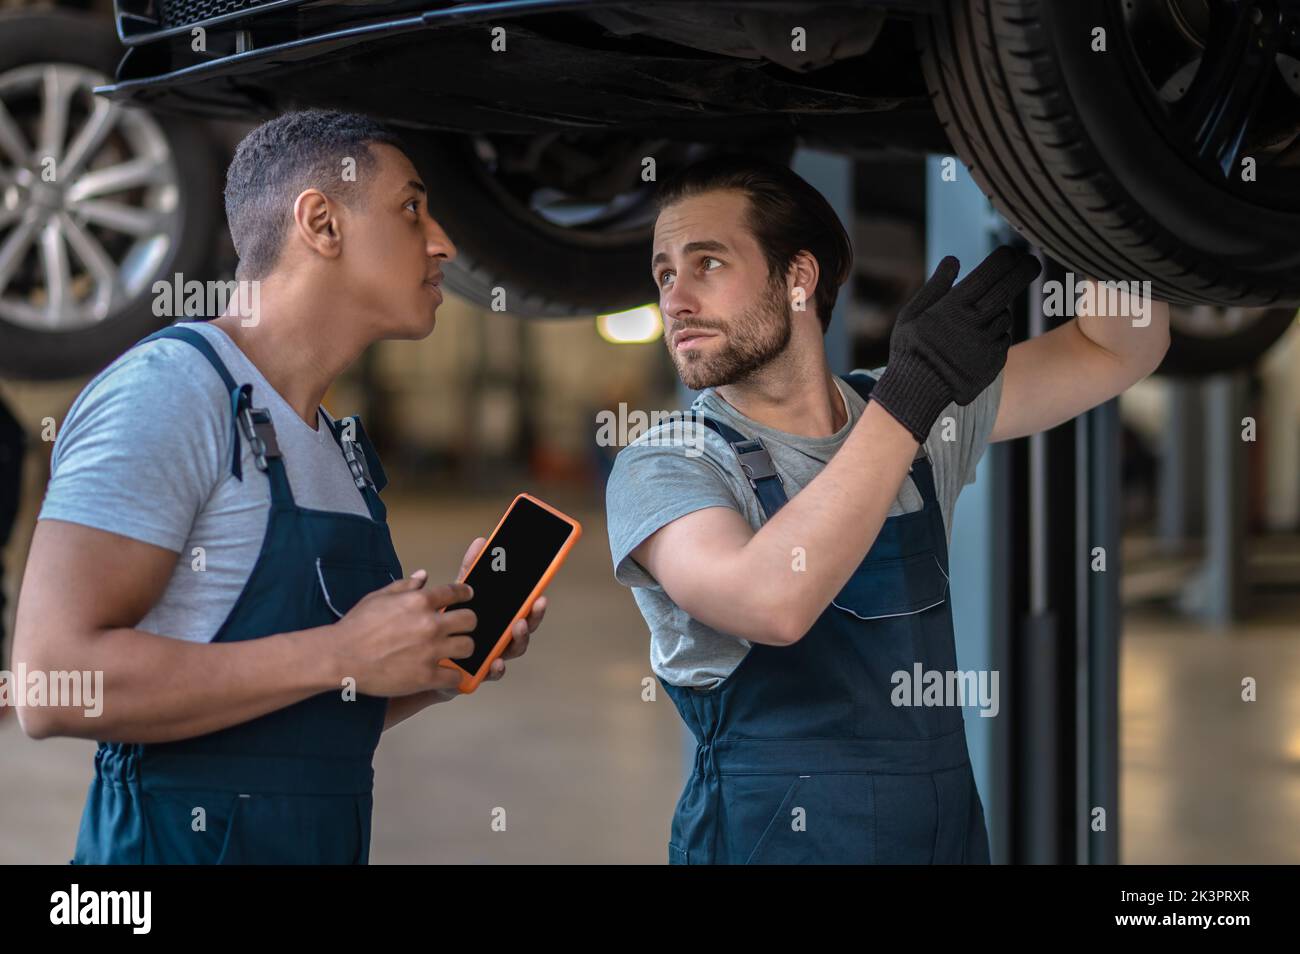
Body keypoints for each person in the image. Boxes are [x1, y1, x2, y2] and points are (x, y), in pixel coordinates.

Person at [11, 110, 547, 864]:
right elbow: (51, 687)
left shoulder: (336, 447)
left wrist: (432, 662)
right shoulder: (170, 393)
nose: (444, 244)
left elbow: (299, 717)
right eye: (412, 208)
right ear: (321, 223)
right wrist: (339, 652)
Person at [604, 156, 1170, 864]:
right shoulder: (669, 462)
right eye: (664, 274)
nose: (675, 300)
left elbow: (1119, 348)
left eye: (707, 264)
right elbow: (771, 601)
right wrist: (910, 399)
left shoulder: (906, 407)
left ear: (799, 278)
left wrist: (1086, 183)